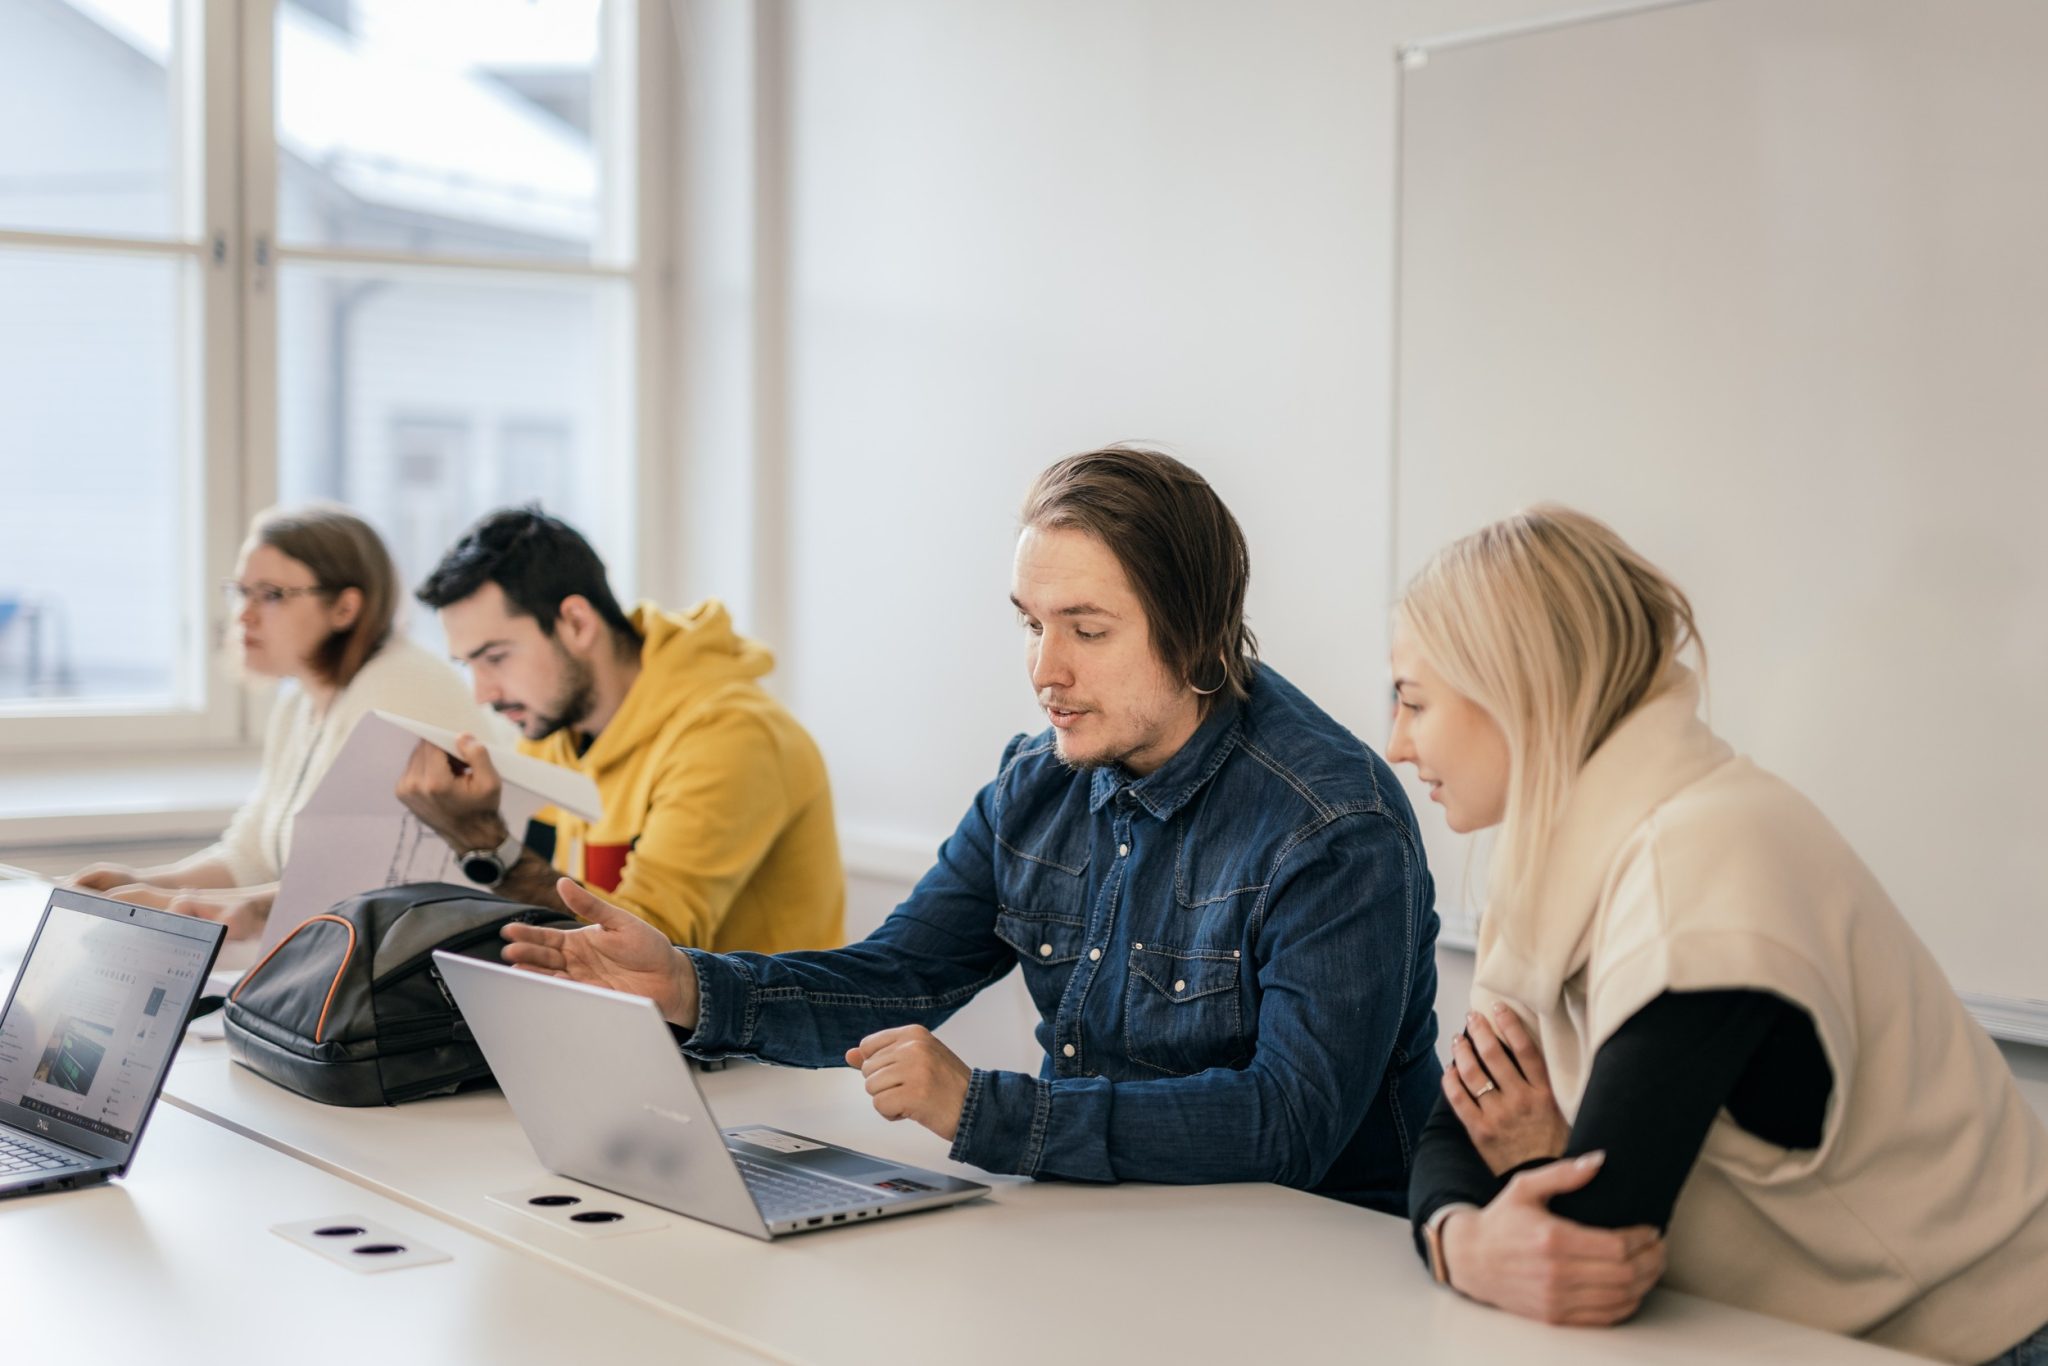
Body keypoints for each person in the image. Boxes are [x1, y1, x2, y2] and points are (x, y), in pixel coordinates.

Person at [499, 447, 1443, 1210]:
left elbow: (1290, 1122)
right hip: (1115, 1226)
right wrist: (691, 986)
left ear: (1195, 629)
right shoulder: (1037, 783)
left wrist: (987, 1112)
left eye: (1087, 630)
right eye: (1031, 624)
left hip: (1317, 1263)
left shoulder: (1331, 823)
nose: (1045, 670)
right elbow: (897, 976)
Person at [1391, 505, 2048, 1363]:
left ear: (1515, 690)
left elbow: (1593, 1246)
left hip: (1977, 1339)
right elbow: (1456, 1131)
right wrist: (1462, 1240)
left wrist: (1533, 1160)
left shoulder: (1700, 862)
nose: (1396, 744)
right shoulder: (1550, 849)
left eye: (1413, 703)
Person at [395, 507, 843, 953]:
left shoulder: (733, 734)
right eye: (468, 665)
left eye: (495, 658)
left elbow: (654, 950)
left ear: (577, 623)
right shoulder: (552, 728)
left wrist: (487, 847)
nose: (483, 693)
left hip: (736, 1003)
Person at [65, 505, 488, 940]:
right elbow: (250, 855)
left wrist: (176, 904)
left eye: (270, 595)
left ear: (345, 608)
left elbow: (369, 884)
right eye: (241, 592)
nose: (243, 615)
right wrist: (145, 882)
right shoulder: (298, 703)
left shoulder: (399, 687)